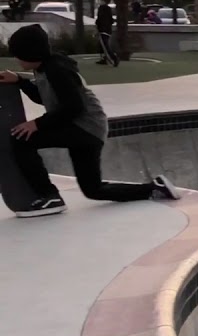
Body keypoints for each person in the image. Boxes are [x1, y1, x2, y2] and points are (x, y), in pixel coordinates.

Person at [0, 25, 180, 217]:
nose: (17, 59)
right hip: (90, 129)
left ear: (30, 53)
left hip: (83, 127)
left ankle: (49, 197)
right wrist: (20, 81)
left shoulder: (57, 70)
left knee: (22, 139)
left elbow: (73, 107)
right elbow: (43, 97)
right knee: (93, 190)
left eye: (19, 55)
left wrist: (36, 124)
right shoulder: (45, 67)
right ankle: (155, 188)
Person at [94, 0, 120, 67]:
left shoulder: (102, 8)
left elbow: (101, 19)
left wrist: (99, 27)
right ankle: (104, 59)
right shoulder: (108, 9)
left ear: (104, 1)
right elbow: (111, 20)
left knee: (105, 45)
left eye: (100, 0)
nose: (99, 1)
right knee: (101, 45)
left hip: (104, 30)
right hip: (107, 29)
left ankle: (114, 58)